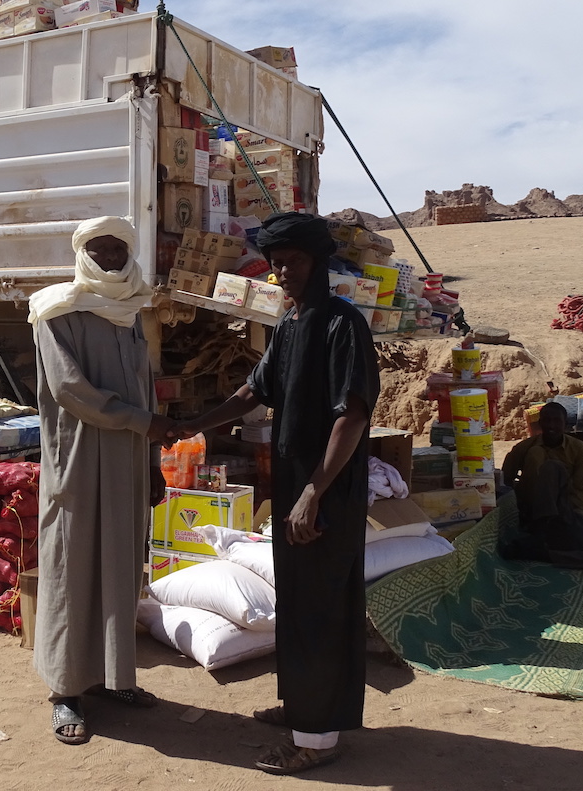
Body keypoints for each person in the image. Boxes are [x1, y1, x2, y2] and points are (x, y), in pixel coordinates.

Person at [179, 212, 380, 774]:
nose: (283, 271)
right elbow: (253, 391)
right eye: (276, 262)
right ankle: (302, 709)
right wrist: (192, 424)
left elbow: (352, 415)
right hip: (298, 485)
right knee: (296, 601)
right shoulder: (291, 323)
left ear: (317, 262)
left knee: (320, 607)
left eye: (293, 261)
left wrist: (313, 493)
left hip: (326, 489)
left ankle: (316, 740)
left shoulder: (342, 324)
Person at [28, 216, 176, 746]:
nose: (111, 258)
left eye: (118, 248)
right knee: (72, 566)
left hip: (128, 457)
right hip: (78, 457)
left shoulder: (131, 307)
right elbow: (69, 389)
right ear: (82, 253)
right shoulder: (55, 310)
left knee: (120, 564)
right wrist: (143, 424)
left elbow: (144, 384)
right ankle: (65, 691)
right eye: (99, 249)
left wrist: (152, 458)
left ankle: (115, 677)